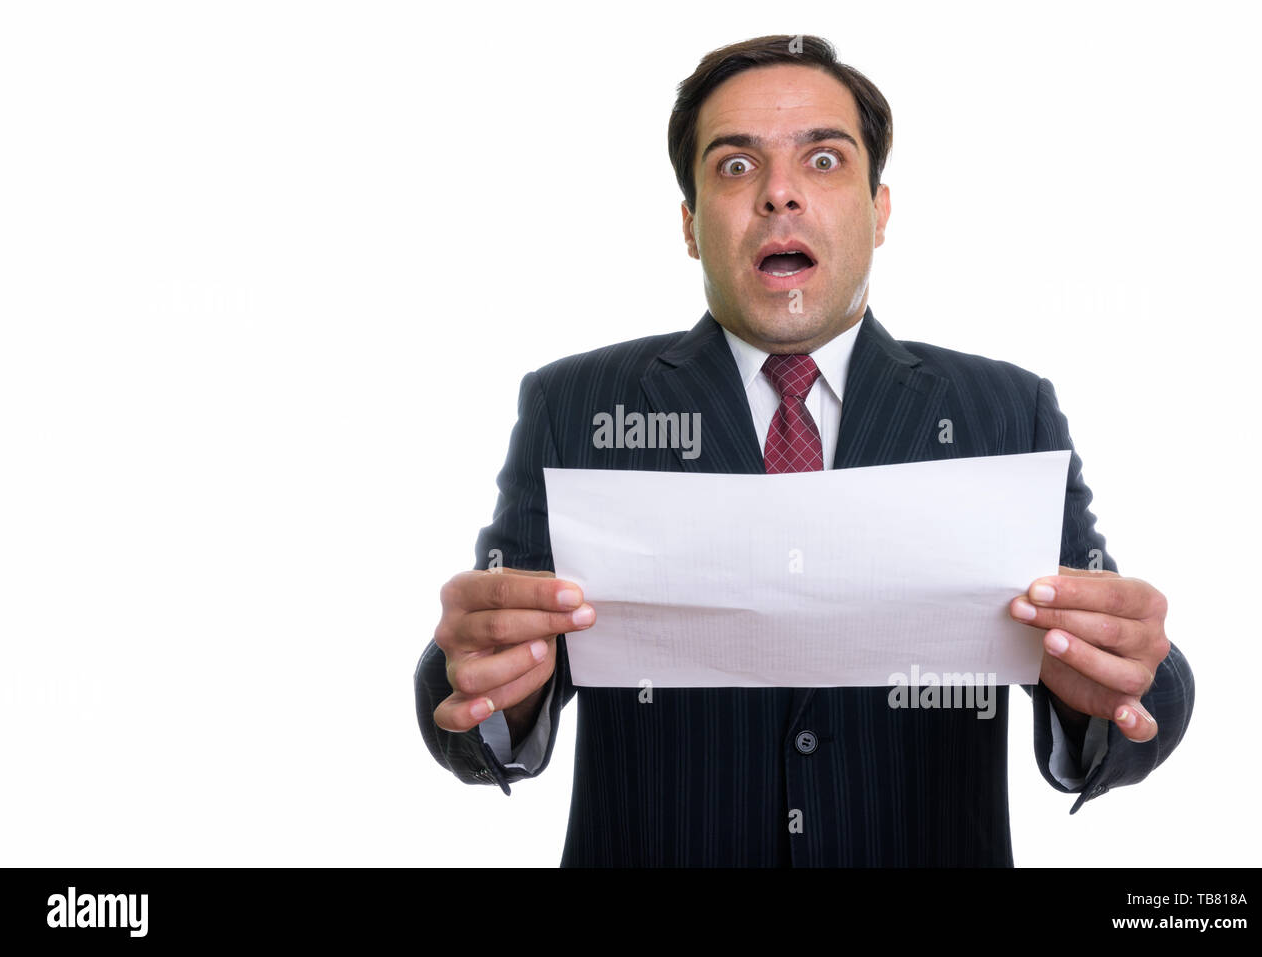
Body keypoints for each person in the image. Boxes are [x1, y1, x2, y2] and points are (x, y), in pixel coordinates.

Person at [414, 34, 1193, 866]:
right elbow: (479, 676)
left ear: (879, 209)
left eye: (822, 160)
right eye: (736, 167)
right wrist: (487, 685)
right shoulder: (577, 406)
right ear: (688, 224)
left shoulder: (1005, 411)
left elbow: (1131, 670)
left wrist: (1113, 689)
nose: (779, 194)